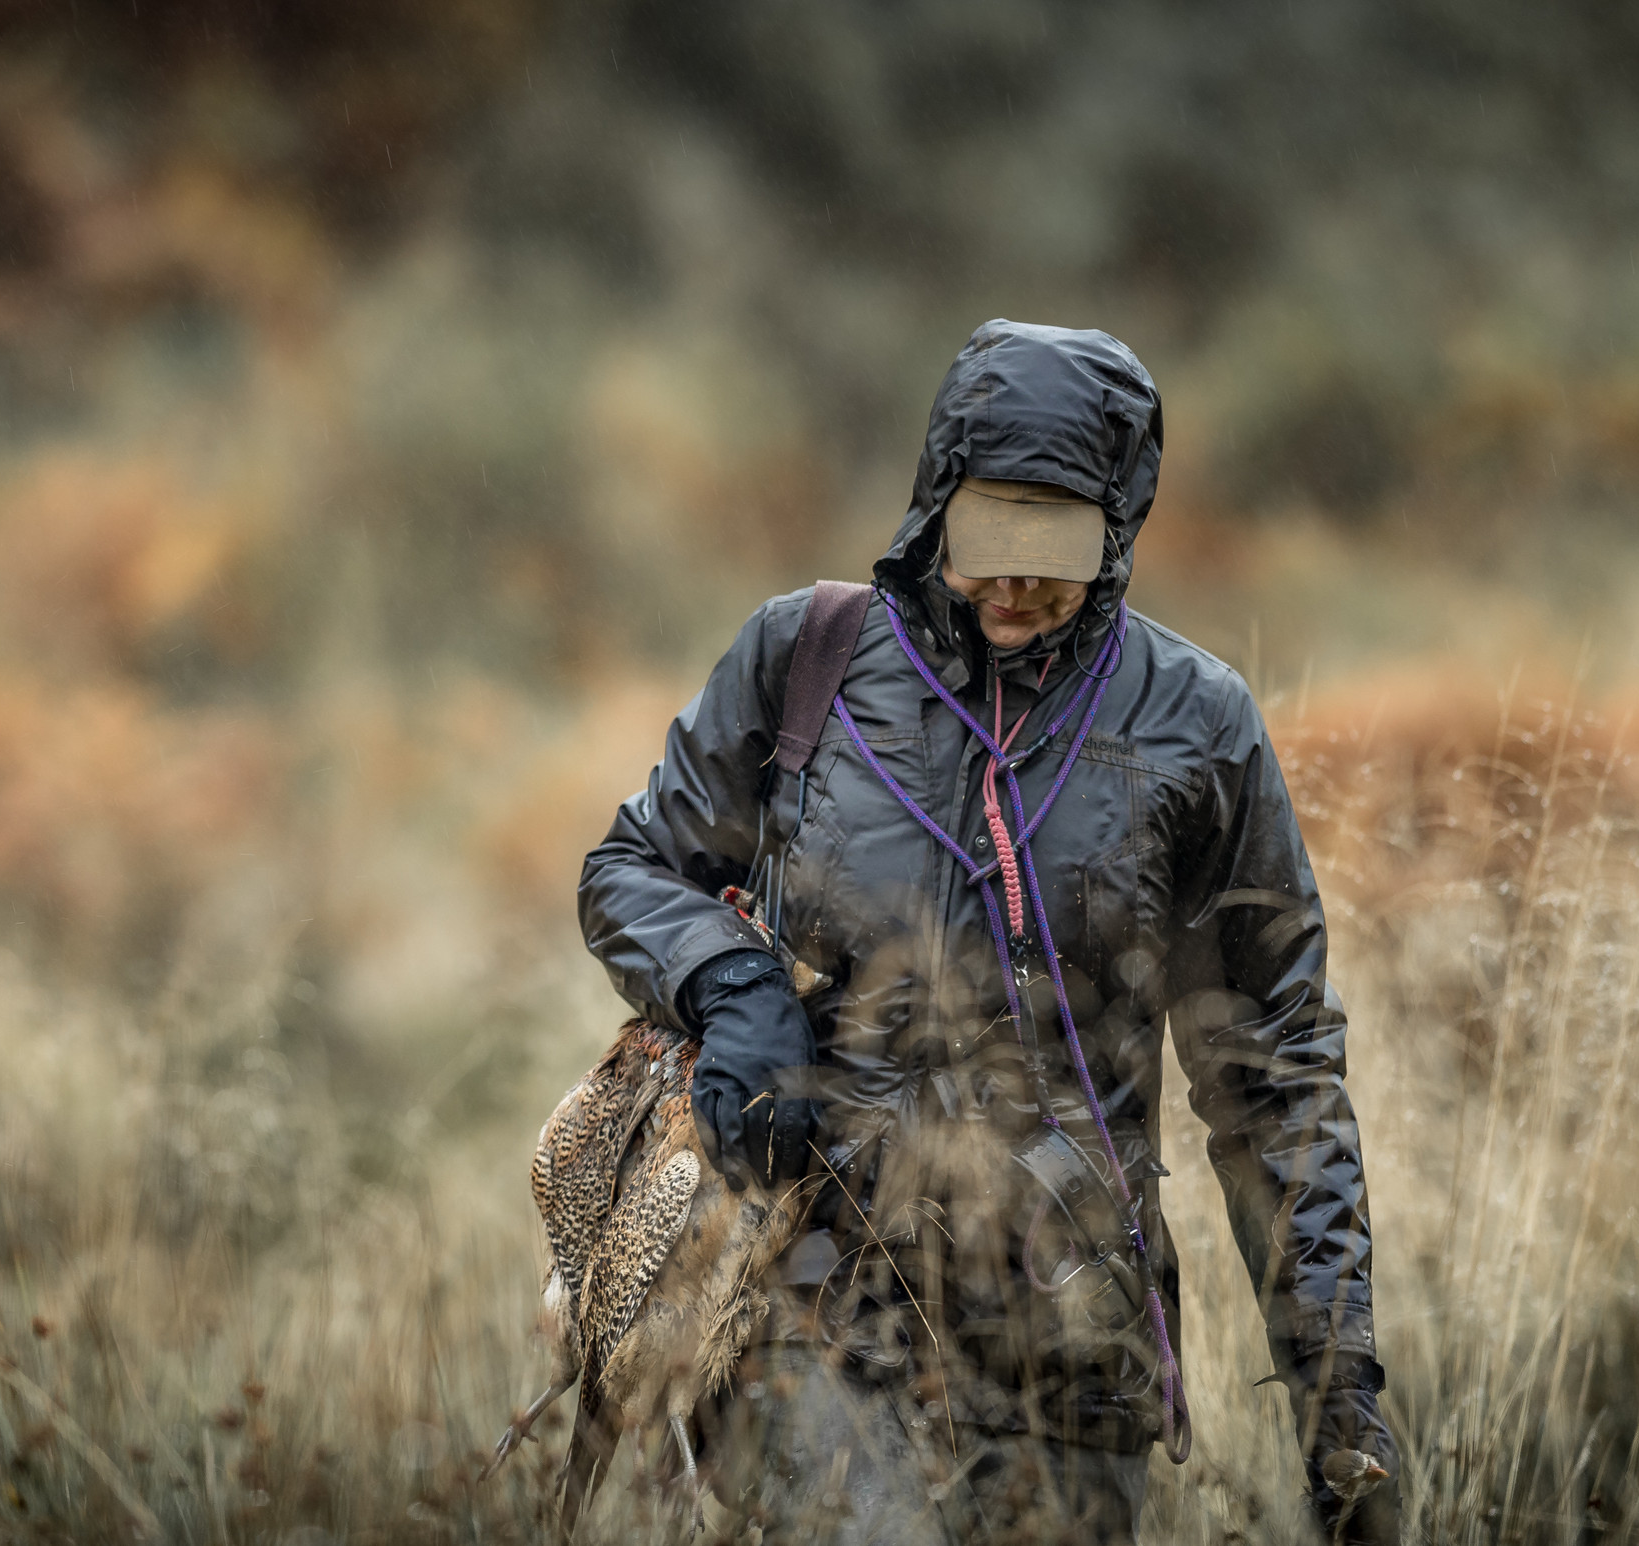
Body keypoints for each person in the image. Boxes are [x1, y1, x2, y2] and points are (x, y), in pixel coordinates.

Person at [577, 320, 1397, 1543]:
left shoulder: (1197, 726)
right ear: (932, 506)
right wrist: (733, 984)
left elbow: (1276, 1084)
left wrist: (1343, 1416)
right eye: (987, 534)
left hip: (1074, 1354)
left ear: (1118, 525)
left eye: (1055, 543)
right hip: (816, 1312)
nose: (1015, 581)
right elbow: (632, 867)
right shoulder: (804, 660)